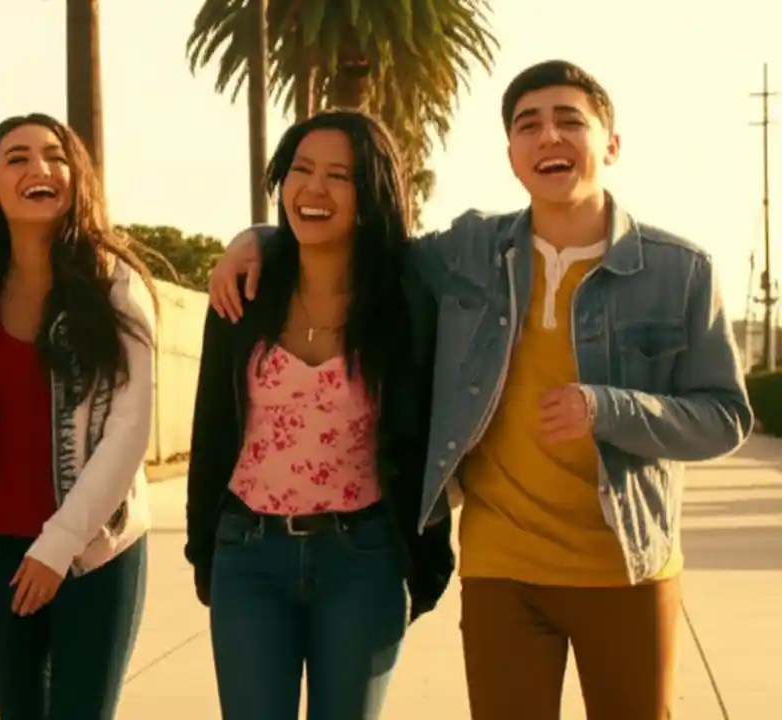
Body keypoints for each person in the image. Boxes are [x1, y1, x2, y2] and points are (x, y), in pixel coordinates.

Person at [207, 60, 753, 720]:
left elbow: (725, 416)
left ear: (611, 144)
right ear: (512, 156)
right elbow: (361, 237)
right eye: (529, 125)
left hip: (626, 563)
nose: (548, 136)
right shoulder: (468, 252)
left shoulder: (681, 271)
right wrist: (258, 237)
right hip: (501, 567)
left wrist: (608, 409)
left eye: (569, 121)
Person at [187, 110, 452, 720]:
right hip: (248, 554)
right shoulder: (245, 291)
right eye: (301, 170)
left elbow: (422, 436)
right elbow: (211, 429)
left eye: (340, 175)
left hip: (363, 558)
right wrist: (205, 547)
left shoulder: (409, 299)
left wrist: (426, 559)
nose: (314, 188)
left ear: (372, 194)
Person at [0, 113, 157, 720]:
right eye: (17, 158)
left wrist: (59, 545)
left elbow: (130, 427)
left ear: (77, 180)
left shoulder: (117, 290)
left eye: (55, 156)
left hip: (96, 550)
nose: (40, 169)